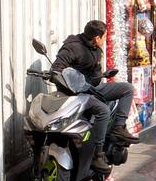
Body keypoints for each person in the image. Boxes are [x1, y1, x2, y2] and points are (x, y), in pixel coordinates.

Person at [51, 20, 139, 171]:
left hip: (95, 88)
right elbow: (56, 69)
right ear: (97, 37)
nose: (105, 40)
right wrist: (65, 81)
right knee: (103, 110)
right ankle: (98, 154)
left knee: (127, 89)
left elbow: (95, 75)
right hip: (79, 93)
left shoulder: (95, 49)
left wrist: (103, 76)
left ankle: (118, 128)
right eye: (104, 37)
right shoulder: (73, 47)